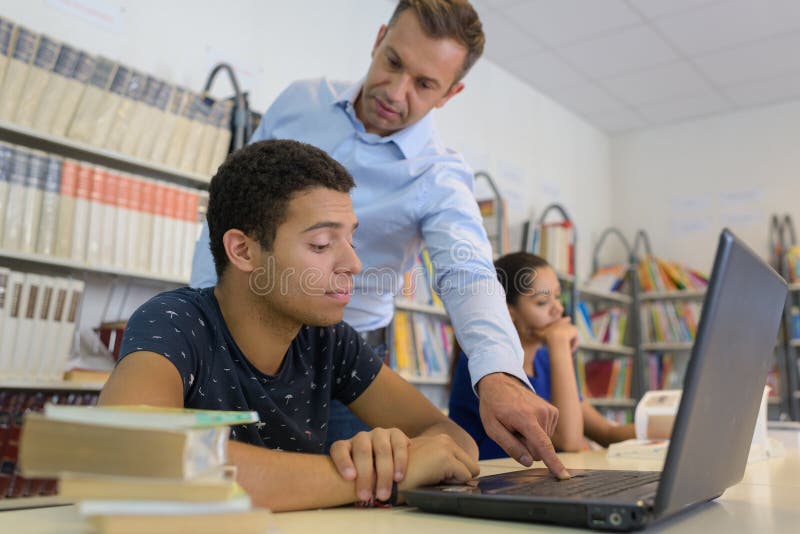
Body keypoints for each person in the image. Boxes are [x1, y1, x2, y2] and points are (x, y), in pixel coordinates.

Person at [190, 0, 569, 479]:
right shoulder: (299, 103)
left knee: (354, 496)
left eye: (424, 84)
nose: (395, 90)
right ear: (378, 39)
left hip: (343, 362)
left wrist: (498, 373)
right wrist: (203, 311)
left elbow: (466, 273)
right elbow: (233, 208)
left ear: (450, 93)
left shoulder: (439, 176)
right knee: (211, 482)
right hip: (235, 334)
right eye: (393, 61)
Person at [99, 140, 479, 512]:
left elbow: (456, 442)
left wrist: (389, 455)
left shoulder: (328, 341)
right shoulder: (175, 322)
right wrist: (366, 477)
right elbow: (133, 450)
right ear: (244, 251)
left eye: (351, 239)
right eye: (321, 244)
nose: (353, 264)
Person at [449, 252, 636, 458]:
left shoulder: (544, 360)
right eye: (542, 302)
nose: (558, 309)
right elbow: (568, 441)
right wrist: (559, 343)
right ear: (508, 312)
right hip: (493, 483)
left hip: (534, 482)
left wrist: (667, 427)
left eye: (557, 296)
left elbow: (606, 432)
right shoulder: (487, 366)